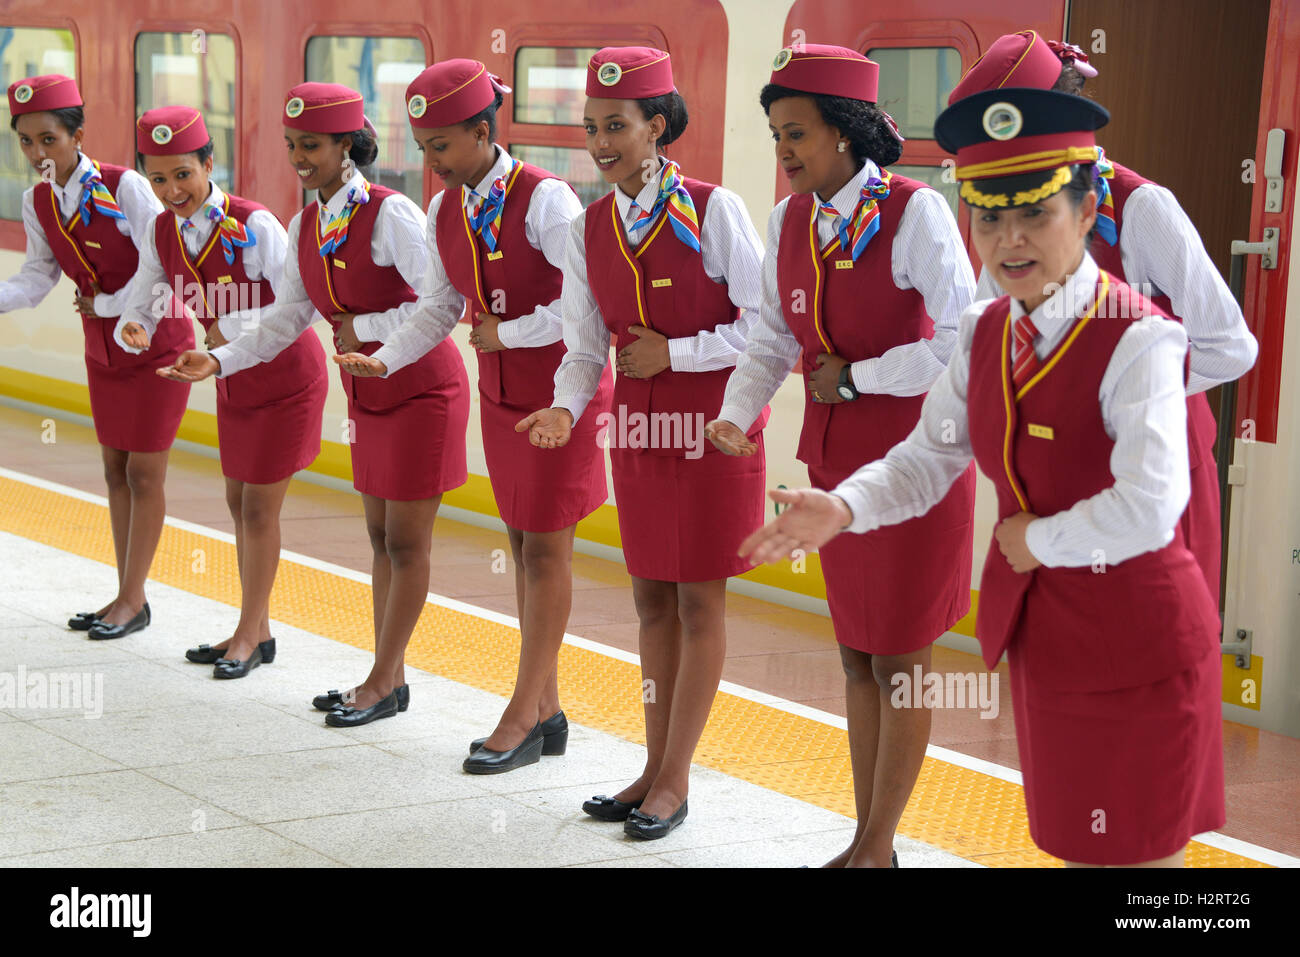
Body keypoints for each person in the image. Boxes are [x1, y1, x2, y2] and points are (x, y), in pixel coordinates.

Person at [741, 87, 1225, 867]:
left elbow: (1150, 502)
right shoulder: (987, 330)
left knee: (1138, 859)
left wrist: (1039, 538)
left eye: (1034, 213)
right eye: (989, 218)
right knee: (1074, 842)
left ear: (1087, 209)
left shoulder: (1141, 339)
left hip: (1139, 636)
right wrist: (844, 506)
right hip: (1044, 631)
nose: (1009, 240)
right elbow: (930, 455)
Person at [705, 44, 977, 867]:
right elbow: (770, 336)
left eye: (797, 134)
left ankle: (875, 845)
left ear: (846, 133)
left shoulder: (915, 213)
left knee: (900, 659)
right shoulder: (790, 220)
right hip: (835, 470)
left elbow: (959, 340)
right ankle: (870, 844)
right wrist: (734, 414)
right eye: (776, 135)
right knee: (858, 654)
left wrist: (858, 376)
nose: (783, 151)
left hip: (912, 469)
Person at [161, 82, 470, 724]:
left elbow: (441, 302)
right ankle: (388, 677)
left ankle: (381, 681)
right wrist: (219, 359)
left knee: (406, 542)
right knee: (380, 537)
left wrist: (366, 329)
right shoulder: (307, 223)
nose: (299, 158)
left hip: (421, 391)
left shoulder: (391, 214)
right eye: (292, 146)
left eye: (312, 146)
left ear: (346, 146)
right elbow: (286, 318)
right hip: (369, 391)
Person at [518, 46, 767, 838]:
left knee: (698, 599)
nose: (599, 142)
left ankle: (676, 778)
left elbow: (767, 330)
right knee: (651, 598)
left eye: (616, 126)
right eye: (591, 127)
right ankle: (652, 765)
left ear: (656, 127)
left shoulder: (713, 211)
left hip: (715, 431)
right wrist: (564, 408)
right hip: (638, 432)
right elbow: (583, 346)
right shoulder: (588, 227)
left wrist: (678, 353)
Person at [338, 59, 611, 772]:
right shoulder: (445, 210)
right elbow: (439, 306)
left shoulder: (547, 201)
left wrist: (509, 333)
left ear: (483, 133)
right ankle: (547, 708)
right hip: (501, 399)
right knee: (522, 547)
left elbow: (587, 305)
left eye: (440, 146)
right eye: (422, 147)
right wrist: (386, 358)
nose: (429, 162)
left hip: (561, 394)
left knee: (545, 550)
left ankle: (522, 713)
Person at [950, 29, 1259, 605]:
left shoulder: (1142, 207)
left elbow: (1229, 345)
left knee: (1152, 631)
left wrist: (1114, 392)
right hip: (1054, 470)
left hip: (1151, 466)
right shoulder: (1004, 218)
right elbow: (984, 333)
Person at [115, 105, 328, 678]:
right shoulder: (162, 230)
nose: (172, 191)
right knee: (238, 503)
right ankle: (256, 630)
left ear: (210, 164)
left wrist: (225, 331)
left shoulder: (254, 224)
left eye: (183, 174)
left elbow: (300, 307)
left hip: (285, 378)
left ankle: (248, 634)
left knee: (257, 508)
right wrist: (134, 325)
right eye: (158, 179)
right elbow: (147, 290)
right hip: (231, 377)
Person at [0, 75, 193, 640]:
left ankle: (133, 599)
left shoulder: (124, 186)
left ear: (77, 136)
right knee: (114, 470)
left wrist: (105, 303)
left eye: (49, 139)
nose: (38, 153)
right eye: (26, 141)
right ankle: (125, 594)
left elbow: (164, 263)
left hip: (156, 341)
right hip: (103, 351)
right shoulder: (37, 200)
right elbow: (37, 276)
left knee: (143, 471)